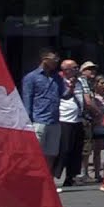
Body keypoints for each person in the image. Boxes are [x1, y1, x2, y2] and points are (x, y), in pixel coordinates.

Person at [21, 49, 65, 181]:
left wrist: (72, 87)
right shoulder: (31, 77)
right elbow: (27, 99)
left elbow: (64, 95)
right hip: (38, 120)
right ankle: (33, 180)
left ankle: (47, 180)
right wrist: (27, 121)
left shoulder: (57, 78)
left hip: (54, 120)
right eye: (54, 60)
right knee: (36, 153)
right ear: (44, 59)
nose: (56, 62)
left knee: (51, 153)